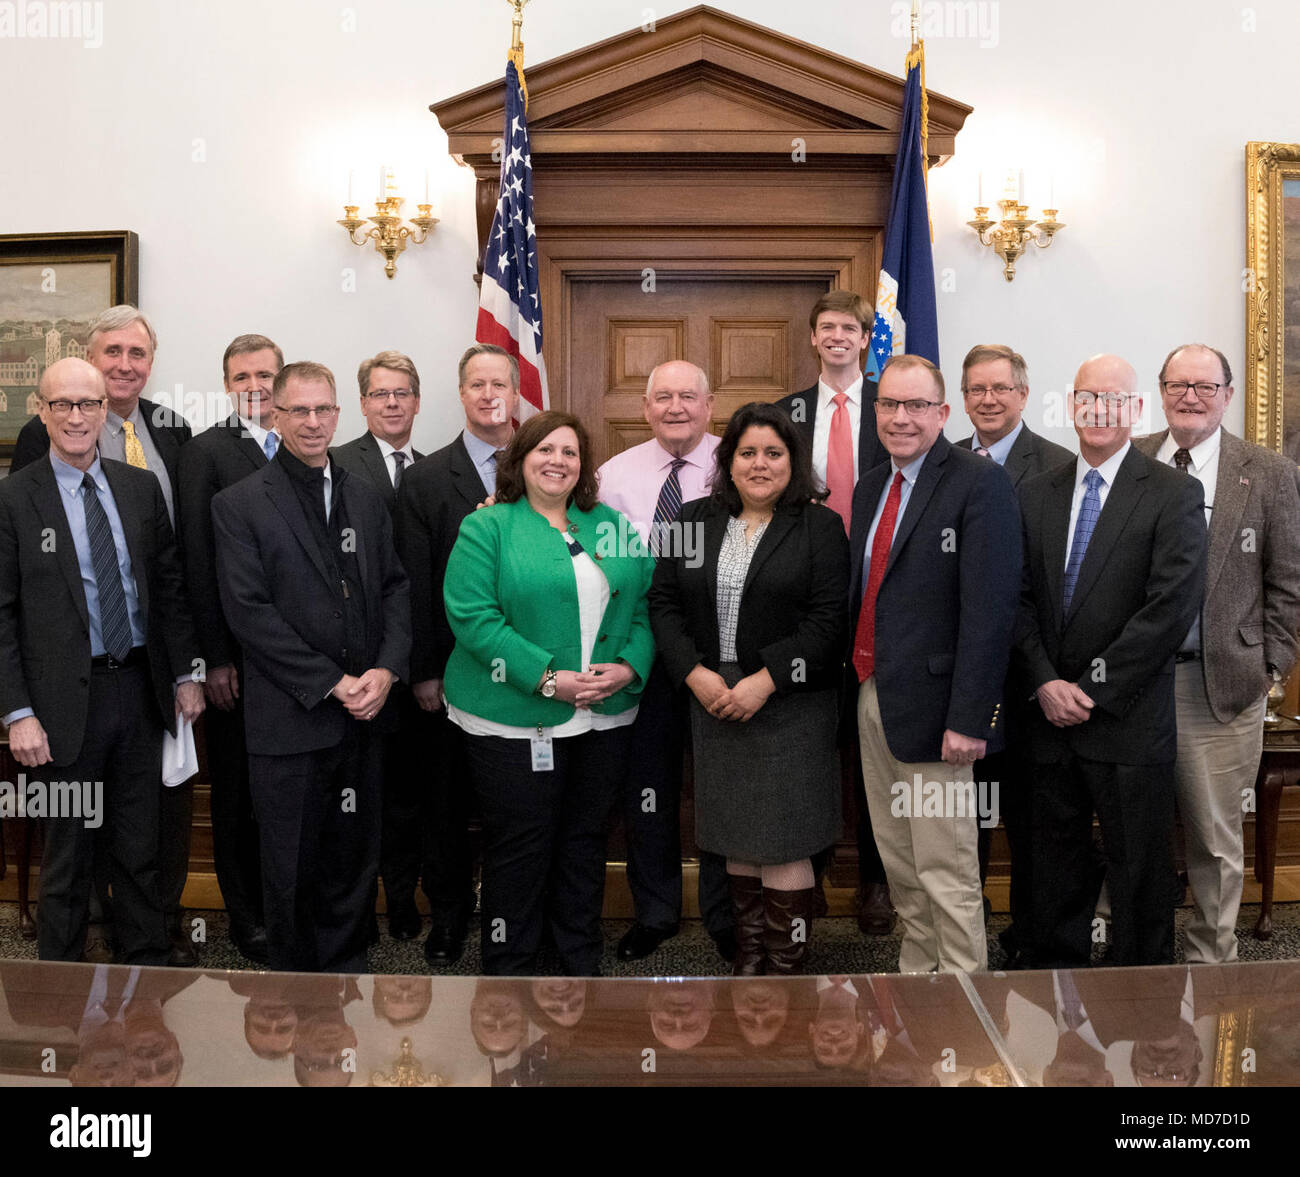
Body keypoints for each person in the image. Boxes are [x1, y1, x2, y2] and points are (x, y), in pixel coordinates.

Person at [0, 357, 203, 965]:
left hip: (140, 689)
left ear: (103, 409)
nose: (77, 416)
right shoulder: (13, 500)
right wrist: (16, 713)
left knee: (140, 843)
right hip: (60, 705)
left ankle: (145, 969)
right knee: (69, 853)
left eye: (88, 404)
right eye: (62, 404)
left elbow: (168, 589)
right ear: (42, 411)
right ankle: (59, 993)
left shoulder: (138, 488)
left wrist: (186, 673)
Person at [211, 360, 411, 973]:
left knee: (353, 856)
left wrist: (387, 670)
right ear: (274, 413)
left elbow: (395, 588)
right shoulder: (239, 503)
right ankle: (296, 983)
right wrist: (331, 682)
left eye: (324, 409)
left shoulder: (364, 494)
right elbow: (249, 613)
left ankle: (347, 970)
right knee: (291, 862)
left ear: (338, 412)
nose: (313, 422)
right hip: (290, 722)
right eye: (298, 410)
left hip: (365, 715)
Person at [443, 409, 654, 976]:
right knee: (520, 846)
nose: (557, 461)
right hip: (513, 719)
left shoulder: (608, 523)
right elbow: (473, 618)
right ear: (521, 458)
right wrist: (548, 678)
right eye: (545, 449)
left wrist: (629, 668)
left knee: (584, 843)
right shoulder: (487, 526)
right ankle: (509, 970)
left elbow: (642, 606)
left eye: (569, 452)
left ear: (583, 466)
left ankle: (576, 964)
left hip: (603, 718)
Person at [1015, 353, 1206, 968]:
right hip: (1046, 720)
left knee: (1140, 873)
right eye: (1088, 398)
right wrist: (1046, 681)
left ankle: (1144, 1008)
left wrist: (1090, 690)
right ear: (1071, 407)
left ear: (1135, 411)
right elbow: (1014, 600)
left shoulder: (1175, 493)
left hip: (1127, 721)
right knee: (1052, 870)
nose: (1099, 409)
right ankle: (1058, 996)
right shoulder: (1035, 493)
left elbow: (1168, 609)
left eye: (1114, 399)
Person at [650, 400, 849, 975]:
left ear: (793, 461)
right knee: (737, 837)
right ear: (728, 461)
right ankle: (749, 957)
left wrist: (765, 680)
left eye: (773, 453)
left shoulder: (819, 526)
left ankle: (786, 966)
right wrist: (693, 672)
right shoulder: (690, 521)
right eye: (747, 453)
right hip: (713, 698)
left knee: (784, 838)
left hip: (790, 704)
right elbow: (663, 603)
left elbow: (828, 621)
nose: (759, 464)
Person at [848, 354, 1021, 974]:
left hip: (942, 712)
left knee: (945, 869)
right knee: (900, 864)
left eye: (916, 406)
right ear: (876, 413)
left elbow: (991, 611)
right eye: (890, 405)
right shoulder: (872, 485)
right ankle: (921, 988)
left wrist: (971, 718)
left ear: (943, 414)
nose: (901, 418)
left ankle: (966, 1013)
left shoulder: (978, 483)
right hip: (874, 697)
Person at [1134, 343, 1300, 963]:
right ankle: (1140, 955)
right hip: (1132, 685)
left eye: (1205, 386)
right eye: (1178, 385)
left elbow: (1289, 582)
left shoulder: (1270, 473)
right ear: (1161, 391)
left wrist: (1270, 666)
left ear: (1228, 395)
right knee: (1134, 827)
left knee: (1213, 834)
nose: (1190, 396)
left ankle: (1212, 955)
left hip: (1221, 684)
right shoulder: (1134, 457)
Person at [595, 359, 734, 965]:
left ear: (709, 407)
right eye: (663, 398)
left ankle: (727, 915)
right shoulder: (611, 477)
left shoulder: (744, 463)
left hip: (722, 659)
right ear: (645, 408)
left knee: (722, 786)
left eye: (688, 397)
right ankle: (654, 911)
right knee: (648, 787)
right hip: (644, 658)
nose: (676, 407)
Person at [394, 342, 518, 964]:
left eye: (500, 383)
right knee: (443, 805)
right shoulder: (423, 479)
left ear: (516, 393)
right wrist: (422, 671)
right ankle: (447, 915)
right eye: (477, 385)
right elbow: (412, 583)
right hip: (449, 675)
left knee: (511, 805)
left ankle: (509, 914)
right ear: (461, 394)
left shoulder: (547, 465)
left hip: (527, 675)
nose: (489, 394)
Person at [775, 290, 894, 936]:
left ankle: (877, 882)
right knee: (812, 744)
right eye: (828, 328)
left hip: (881, 597)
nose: (838, 336)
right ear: (814, 339)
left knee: (874, 747)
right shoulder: (786, 412)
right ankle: (807, 876)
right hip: (808, 603)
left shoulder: (891, 407)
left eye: (851, 327)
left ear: (866, 337)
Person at [955, 343, 1074, 966]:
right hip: (959, 685)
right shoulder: (940, 462)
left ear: (1024, 394)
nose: (989, 400)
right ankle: (965, 939)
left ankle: (1032, 938)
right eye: (976, 389)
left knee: (1031, 825)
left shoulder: (1059, 466)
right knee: (963, 824)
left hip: (1031, 682)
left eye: (1001, 388)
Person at [176, 333, 284, 964]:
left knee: (289, 791)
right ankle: (247, 917)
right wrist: (211, 658)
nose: (256, 386)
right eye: (242, 376)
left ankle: (289, 905)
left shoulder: (305, 445)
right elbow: (196, 559)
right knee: (239, 794)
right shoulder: (206, 452)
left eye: (266, 374)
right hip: (235, 665)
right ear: (226, 385)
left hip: (298, 662)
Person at [331, 350, 427, 943]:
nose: (392, 403)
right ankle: (356, 907)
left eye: (403, 393)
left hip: (417, 666)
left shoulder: (435, 469)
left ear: (418, 401)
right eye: (380, 394)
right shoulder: (335, 465)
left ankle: (404, 898)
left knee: (408, 798)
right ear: (362, 403)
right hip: (355, 670)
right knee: (354, 801)